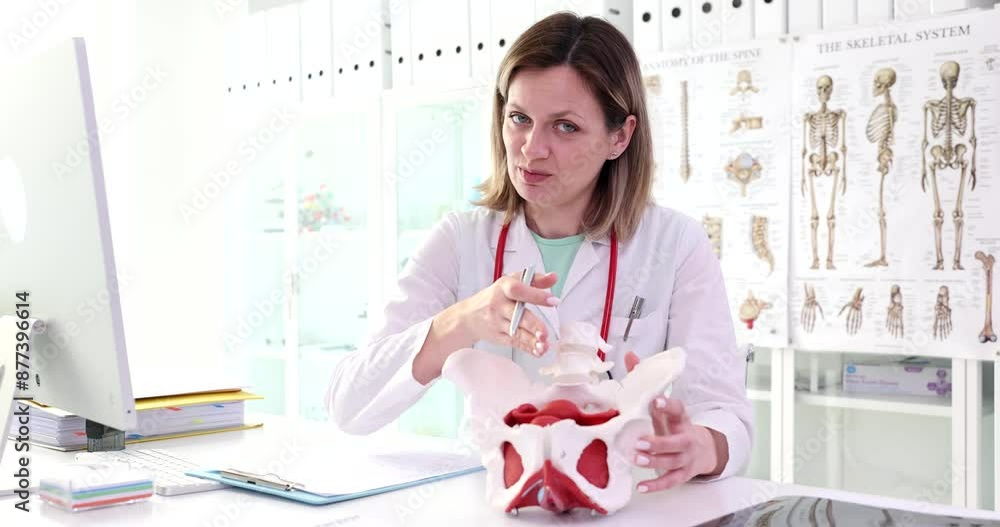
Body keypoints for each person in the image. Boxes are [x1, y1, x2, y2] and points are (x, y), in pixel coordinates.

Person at [327, 12, 752, 493]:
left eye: (565, 127)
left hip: (623, 500)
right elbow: (350, 406)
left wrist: (703, 445)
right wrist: (461, 322)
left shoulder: (675, 245)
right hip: (494, 500)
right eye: (519, 118)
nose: (532, 149)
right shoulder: (460, 241)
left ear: (620, 136)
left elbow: (724, 411)